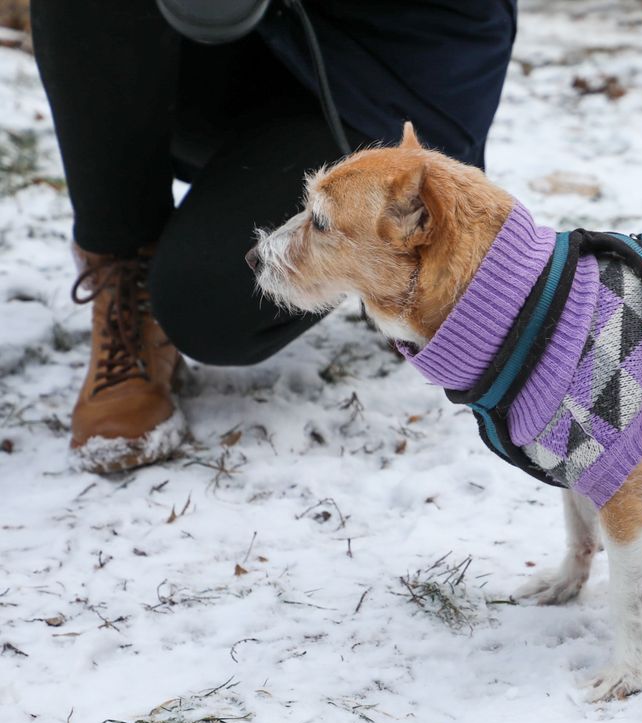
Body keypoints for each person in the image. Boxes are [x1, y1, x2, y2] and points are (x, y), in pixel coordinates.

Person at [30, 0, 516, 473]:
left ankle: (408, 270)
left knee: (206, 304)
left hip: (389, 71)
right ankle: (123, 267)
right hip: (225, 42)